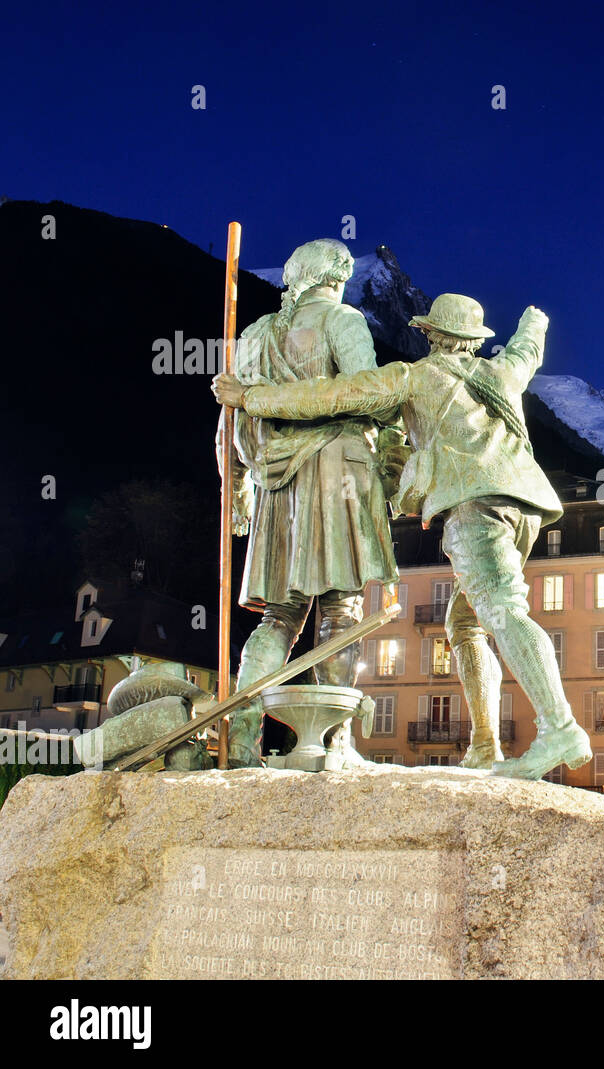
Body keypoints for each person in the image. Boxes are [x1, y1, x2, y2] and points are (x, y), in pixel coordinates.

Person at [213, 296, 591, 781]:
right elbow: (527, 350)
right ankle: (483, 743)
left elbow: (331, 396)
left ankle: (559, 728)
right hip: (527, 510)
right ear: (474, 342)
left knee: (502, 610)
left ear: (431, 335)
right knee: (465, 621)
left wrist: (250, 398)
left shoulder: (412, 378)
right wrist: (536, 317)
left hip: (476, 505)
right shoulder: (502, 374)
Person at [217, 238, 401, 768]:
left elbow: (235, 422)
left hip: (277, 480)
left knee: (279, 615)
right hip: (337, 468)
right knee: (340, 608)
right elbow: (367, 394)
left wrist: (241, 487)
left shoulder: (253, 335)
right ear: (337, 278)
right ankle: (334, 744)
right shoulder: (342, 320)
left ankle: (242, 738)